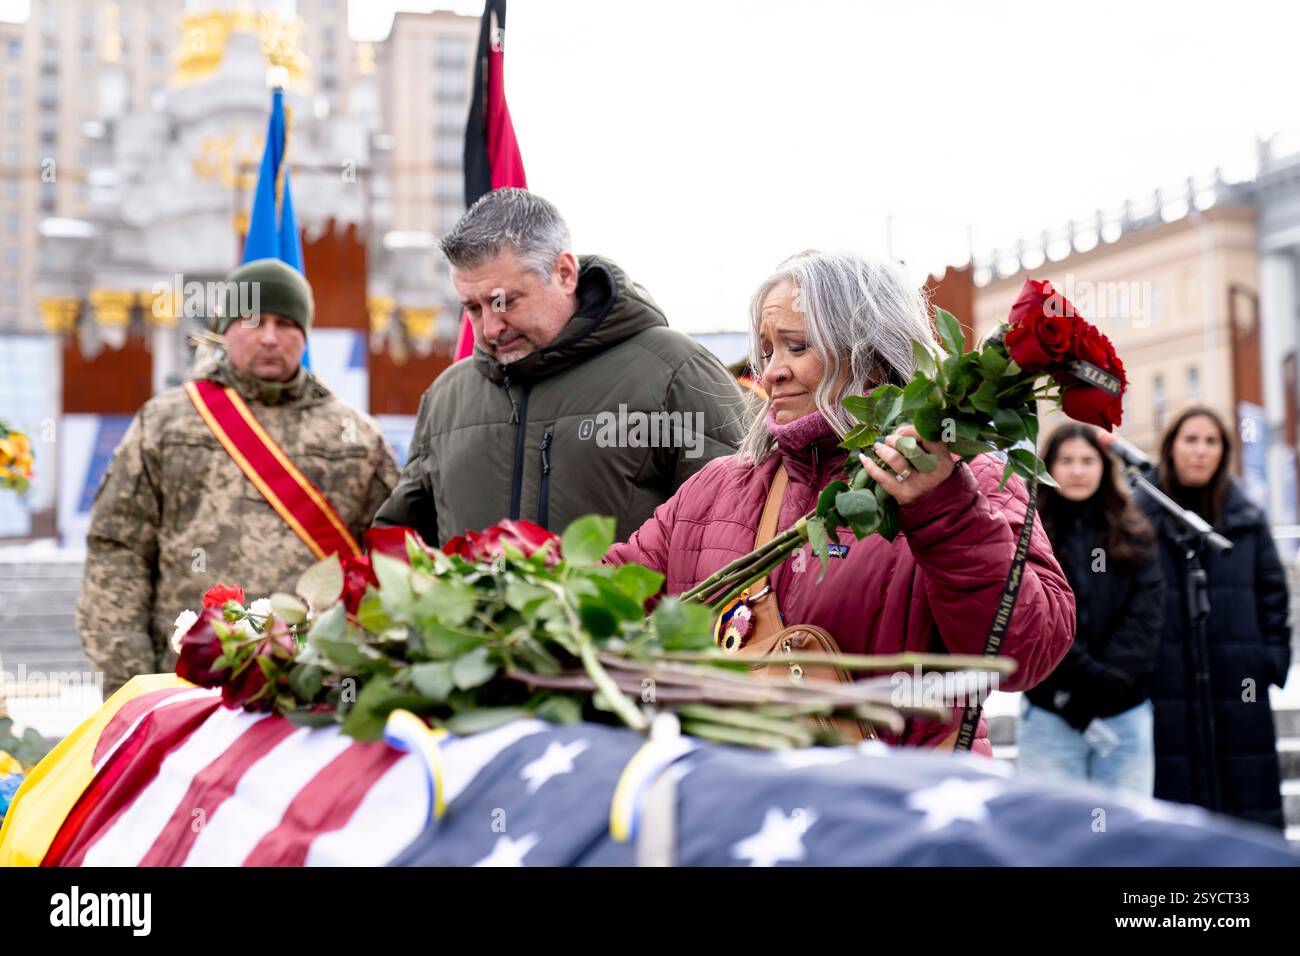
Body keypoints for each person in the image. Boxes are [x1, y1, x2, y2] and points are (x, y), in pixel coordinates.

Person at [605, 251, 1076, 753]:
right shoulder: (716, 487)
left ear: (871, 354)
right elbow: (613, 595)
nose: (770, 374)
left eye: (797, 346)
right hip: (734, 810)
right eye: (767, 352)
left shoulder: (966, 479)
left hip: (902, 813)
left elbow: (1029, 652)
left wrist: (945, 512)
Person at [78, 259, 399, 696]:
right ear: (224, 329)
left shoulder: (356, 436)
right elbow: (117, 552)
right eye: (252, 321)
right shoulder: (167, 422)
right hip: (188, 683)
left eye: (285, 322)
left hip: (317, 681)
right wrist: (131, 682)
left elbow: (388, 558)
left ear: (304, 334)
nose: (269, 337)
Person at [372, 189, 749, 546]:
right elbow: (401, 544)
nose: (489, 327)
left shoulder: (675, 373)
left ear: (565, 273)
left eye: (505, 302)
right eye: (472, 308)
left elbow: (739, 532)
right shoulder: (445, 397)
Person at [1139, 405, 1291, 828]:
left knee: (1245, 806)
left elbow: (1273, 595)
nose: (1201, 451)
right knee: (1172, 816)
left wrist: (1269, 663)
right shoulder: (1140, 519)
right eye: (1191, 440)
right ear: (1171, 448)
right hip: (1165, 685)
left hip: (1238, 684)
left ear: (1223, 452)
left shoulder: (1246, 519)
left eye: (1211, 442)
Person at [1017, 424, 1164, 794]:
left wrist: (1111, 679)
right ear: (1048, 466)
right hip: (1051, 710)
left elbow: (1146, 615)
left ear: (1104, 466)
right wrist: (1083, 680)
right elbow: (1031, 618)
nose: (1078, 471)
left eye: (1087, 460)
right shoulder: (1028, 533)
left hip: (1123, 710)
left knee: (1124, 841)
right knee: (1053, 839)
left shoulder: (1135, 532)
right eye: (1066, 461)